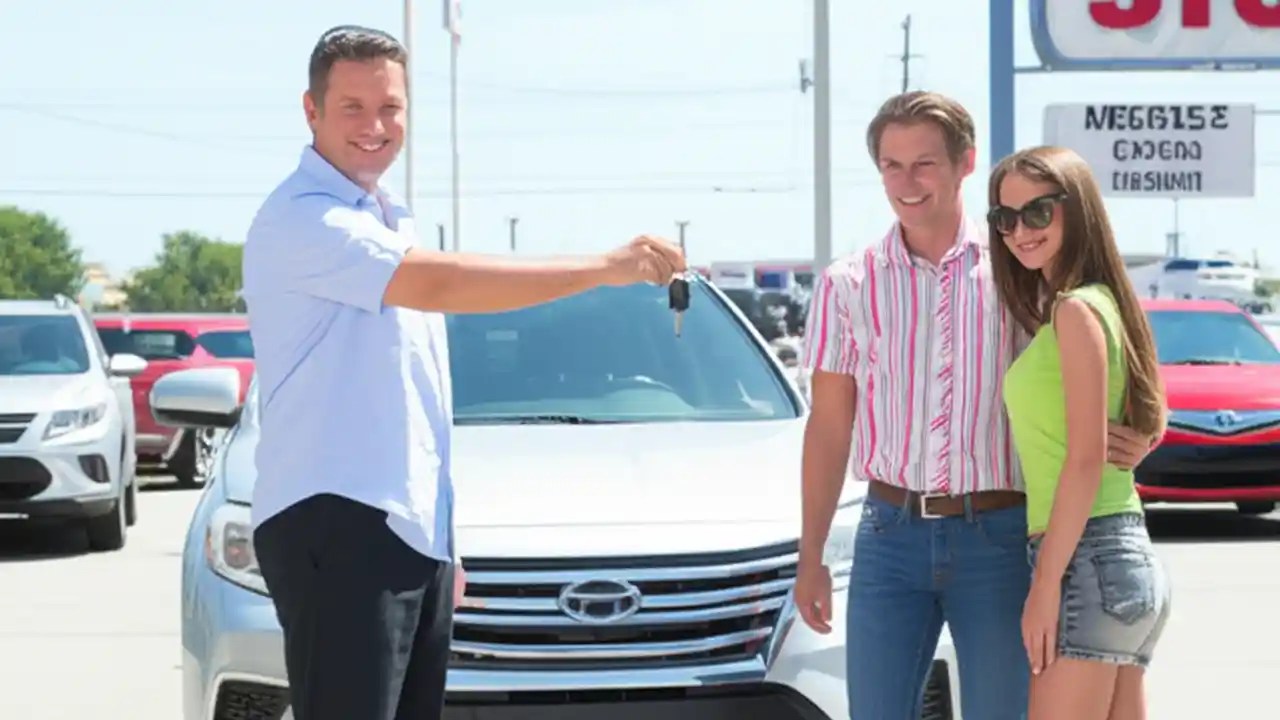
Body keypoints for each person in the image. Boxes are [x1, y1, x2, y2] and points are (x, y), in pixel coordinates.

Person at [240, 25, 685, 720]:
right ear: (311, 111)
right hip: (336, 521)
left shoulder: (388, 219)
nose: (375, 126)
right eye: (352, 107)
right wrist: (608, 268)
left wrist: (440, 540)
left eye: (390, 107)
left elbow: (413, 402)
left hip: (402, 533)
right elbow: (444, 286)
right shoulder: (306, 220)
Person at [793, 91, 1156, 720]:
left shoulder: (1020, 266)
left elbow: (1108, 341)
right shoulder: (846, 283)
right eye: (891, 166)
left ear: (966, 162)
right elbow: (829, 426)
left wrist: (1149, 424)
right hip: (888, 538)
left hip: (999, 539)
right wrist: (811, 556)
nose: (907, 183)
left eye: (924, 163)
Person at [990, 145, 1172, 720]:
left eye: (1038, 212)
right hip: (1123, 562)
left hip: (1085, 563)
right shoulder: (1101, 305)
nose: (1021, 231)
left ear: (1078, 210)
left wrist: (1045, 588)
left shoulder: (1075, 311)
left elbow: (1085, 460)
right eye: (1006, 218)